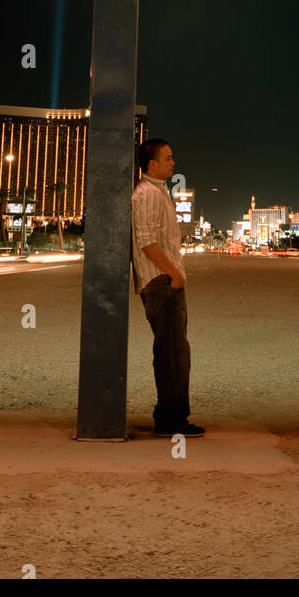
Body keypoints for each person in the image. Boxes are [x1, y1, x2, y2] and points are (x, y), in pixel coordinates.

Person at [131, 138, 204, 437]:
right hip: (161, 282)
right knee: (173, 352)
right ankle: (171, 421)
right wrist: (175, 275)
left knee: (175, 350)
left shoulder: (158, 192)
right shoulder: (147, 194)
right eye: (169, 158)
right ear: (152, 164)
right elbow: (146, 241)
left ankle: (169, 416)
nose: (174, 163)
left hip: (164, 280)